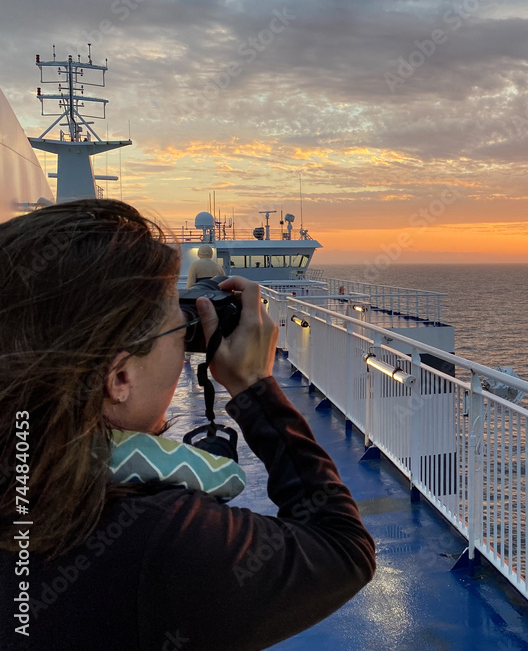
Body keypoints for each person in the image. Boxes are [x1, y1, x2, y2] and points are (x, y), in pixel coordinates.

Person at [0, 200, 376, 650]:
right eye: (177, 325)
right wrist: (255, 386)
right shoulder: (160, 543)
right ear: (120, 378)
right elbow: (343, 550)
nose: (185, 343)